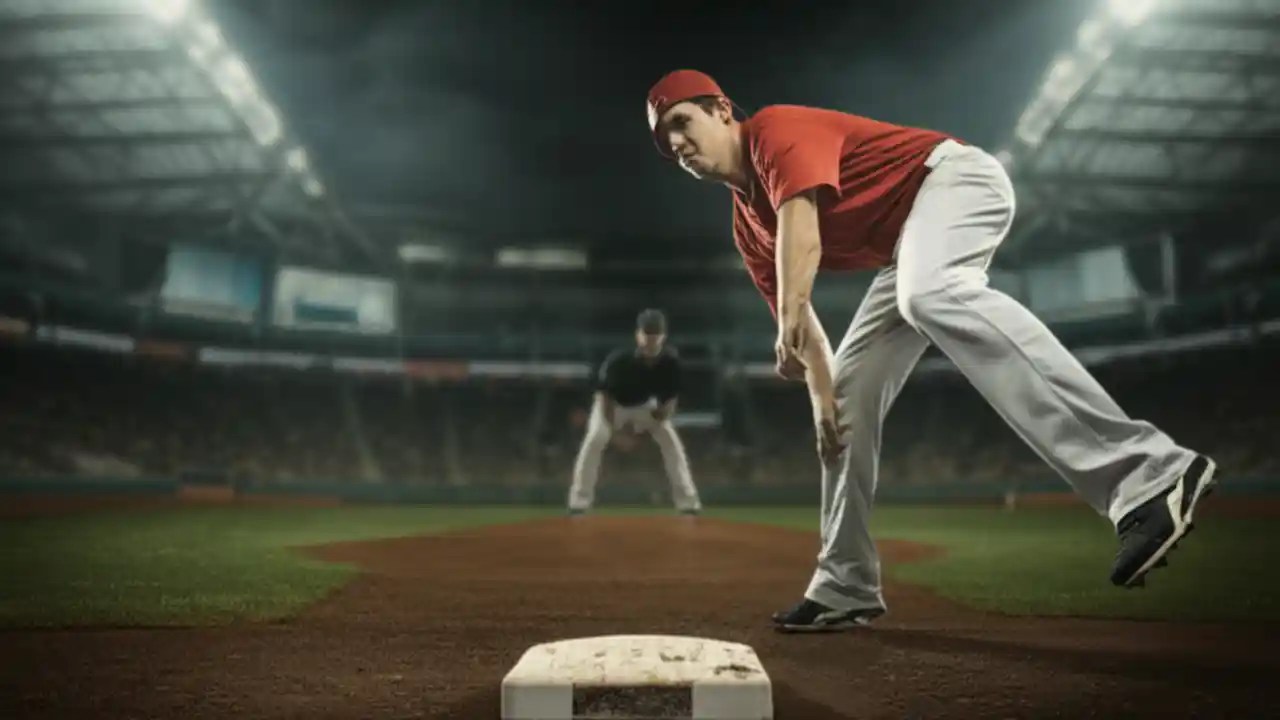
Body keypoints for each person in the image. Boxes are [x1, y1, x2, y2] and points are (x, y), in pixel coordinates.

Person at [644, 69, 1218, 632]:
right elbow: (805, 327)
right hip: (910, 242)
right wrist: (822, 396)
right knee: (847, 397)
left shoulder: (773, 131)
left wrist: (791, 314)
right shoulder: (747, 226)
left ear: (722, 109)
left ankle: (1148, 474)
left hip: (954, 182)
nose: (676, 144)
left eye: (681, 121)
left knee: (931, 293)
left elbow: (804, 240)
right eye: (665, 140)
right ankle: (844, 583)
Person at [567, 309, 703, 516]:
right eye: (647, 332)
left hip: (643, 407)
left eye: (655, 333)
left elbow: (671, 399)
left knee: (670, 440)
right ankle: (579, 501)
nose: (651, 337)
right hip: (613, 407)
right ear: (638, 335)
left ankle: (688, 502)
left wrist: (662, 416)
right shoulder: (619, 361)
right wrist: (617, 434)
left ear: (663, 336)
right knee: (596, 438)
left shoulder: (670, 362)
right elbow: (605, 399)